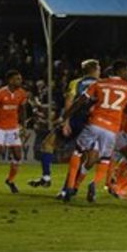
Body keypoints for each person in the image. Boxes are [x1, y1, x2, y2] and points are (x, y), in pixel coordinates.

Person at [59, 60, 127, 202]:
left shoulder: (99, 83)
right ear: (120, 71)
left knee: (78, 152)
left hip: (95, 123)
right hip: (112, 128)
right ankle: (94, 183)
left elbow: (80, 101)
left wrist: (65, 116)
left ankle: (70, 186)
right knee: (105, 159)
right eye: (126, 70)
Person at [28, 59, 101, 195]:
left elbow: (69, 101)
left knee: (48, 144)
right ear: (96, 70)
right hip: (93, 123)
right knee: (83, 158)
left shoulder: (76, 83)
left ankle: (46, 176)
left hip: (75, 119)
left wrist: (66, 121)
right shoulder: (102, 84)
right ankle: (67, 189)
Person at [0, 69, 30, 194]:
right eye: (17, 79)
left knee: (18, 155)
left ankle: (10, 180)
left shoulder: (22, 93)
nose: (20, 81)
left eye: (20, 79)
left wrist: (24, 127)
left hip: (13, 127)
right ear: (10, 80)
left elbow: (23, 110)